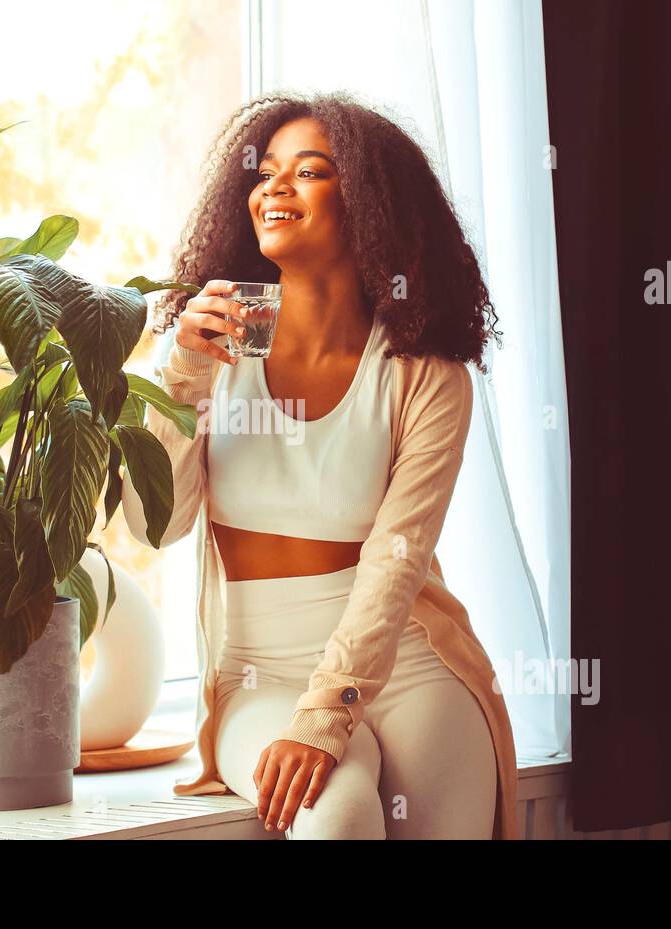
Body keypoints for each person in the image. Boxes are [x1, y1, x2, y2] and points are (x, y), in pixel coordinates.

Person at [122, 91, 516, 839]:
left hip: (405, 655)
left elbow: (397, 563)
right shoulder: (216, 345)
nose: (275, 187)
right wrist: (179, 379)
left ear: (372, 205)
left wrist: (330, 709)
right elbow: (154, 525)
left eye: (310, 172)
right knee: (336, 818)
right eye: (266, 172)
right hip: (258, 671)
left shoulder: (423, 374)